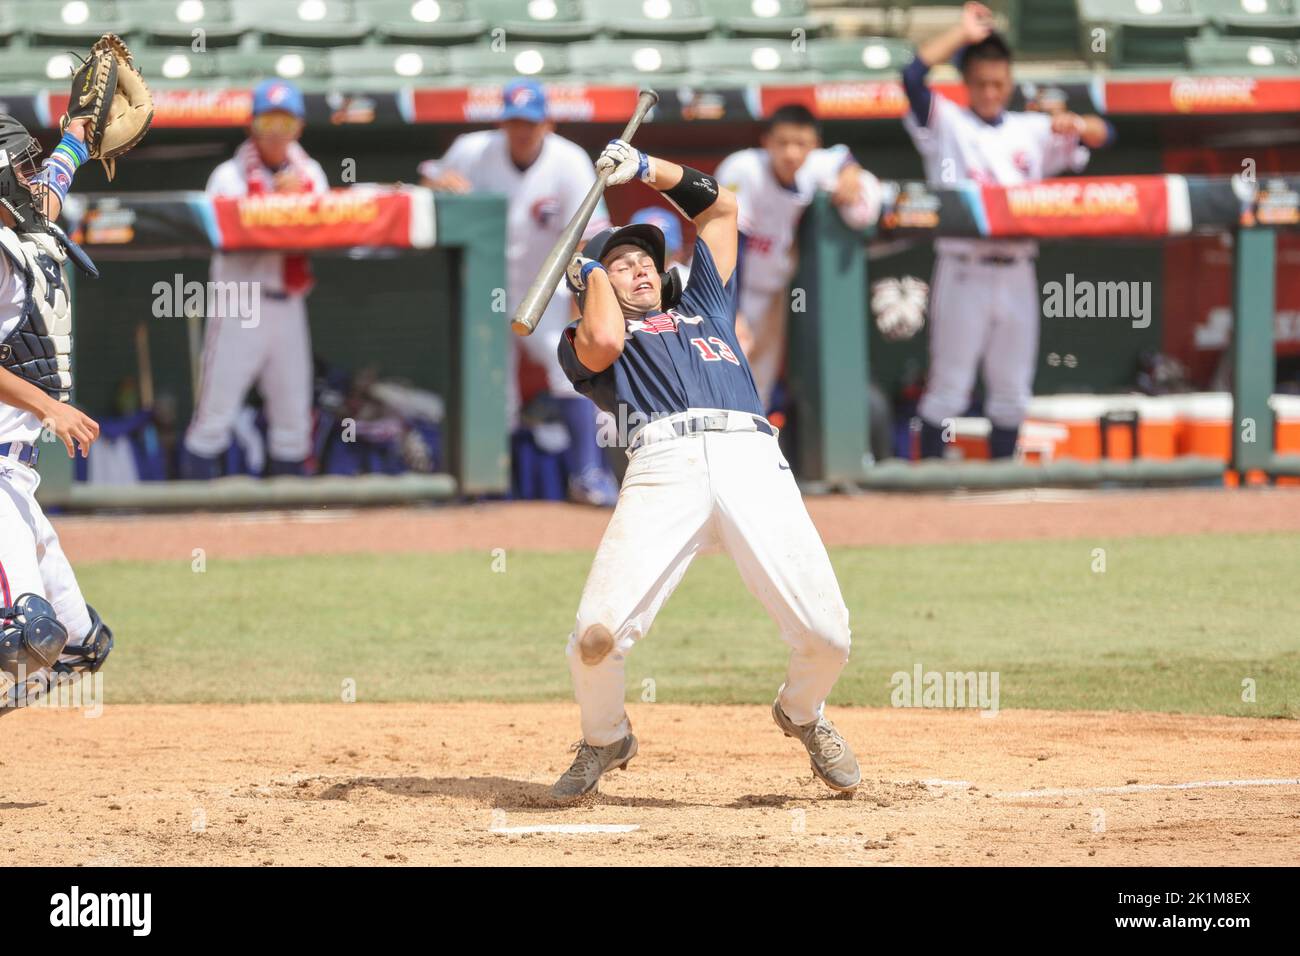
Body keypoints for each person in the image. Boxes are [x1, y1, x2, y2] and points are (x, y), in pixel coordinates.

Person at [549, 139, 860, 801]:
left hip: (752, 457)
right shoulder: (586, 340)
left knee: (829, 638)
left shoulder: (704, 305)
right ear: (594, 285)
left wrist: (645, 170)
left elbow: (721, 210)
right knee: (593, 639)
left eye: (645, 262)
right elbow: (602, 339)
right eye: (620, 263)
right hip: (665, 465)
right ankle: (606, 738)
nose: (637, 269)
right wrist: (590, 276)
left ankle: (801, 712)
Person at [903, 2, 1113, 458]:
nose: (990, 91)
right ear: (967, 84)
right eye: (981, 83)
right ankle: (928, 489)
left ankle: (1004, 487)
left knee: (1012, 387)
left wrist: (1075, 122)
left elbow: (1104, 133)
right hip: (964, 268)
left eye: (998, 83)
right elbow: (911, 77)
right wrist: (961, 33)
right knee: (948, 387)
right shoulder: (948, 122)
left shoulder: (1031, 128)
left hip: (1018, 268)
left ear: (1010, 82)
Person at [420, 79, 619, 506]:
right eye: (514, 121)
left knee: (569, 371)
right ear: (501, 121)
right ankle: (490, 486)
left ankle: (586, 475)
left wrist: (581, 304)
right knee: (492, 388)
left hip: (543, 287)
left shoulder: (568, 160)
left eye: (531, 121)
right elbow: (431, 177)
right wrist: (440, 186)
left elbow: (589, 233)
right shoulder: (473, 150)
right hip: (483, 287)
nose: (522, 130)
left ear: (548, 122)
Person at [0, 114, 114, 711]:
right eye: (20, 167)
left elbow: (50, 187)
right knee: (26, 636)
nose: (33, 177)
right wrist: (50, 408)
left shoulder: (26, 227)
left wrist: (76, 138)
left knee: (78, 647)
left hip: (17, 476)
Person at [181, 79, 329, 478]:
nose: (277, 134)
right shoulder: (227, 176)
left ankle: (288, 530)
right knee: (214, 418)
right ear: (252, 126)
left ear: (298, 127)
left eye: (285, 123)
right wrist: (275, 209)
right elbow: (225, 238)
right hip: (239, 302)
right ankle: (190, 523)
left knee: (293, 424)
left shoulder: (310, 173)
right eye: (268, 122)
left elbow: (326, 231)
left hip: (289, 304)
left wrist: (298, 203)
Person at [715, 104, 882, 410]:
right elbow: (729, 245)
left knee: (759, 384)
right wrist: (729, 312)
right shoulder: (744, 168)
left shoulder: (815, 165)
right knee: (722, 377)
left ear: (813, 145)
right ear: (766, 142)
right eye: (782, 143)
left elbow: (843, 156)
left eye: (801, 144)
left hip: (773, 289)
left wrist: (850, 172)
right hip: (733, 288)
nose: (791, 153)